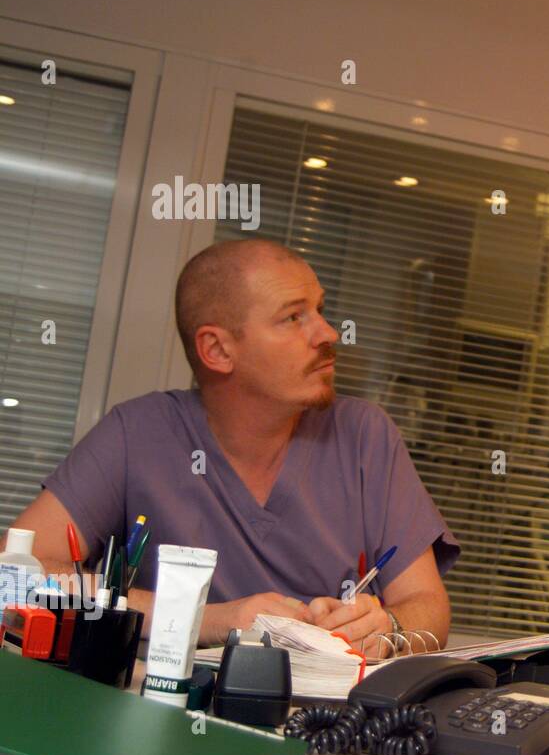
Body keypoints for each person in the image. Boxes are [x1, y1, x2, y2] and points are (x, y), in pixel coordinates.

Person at [9, 239, 458, 653]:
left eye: (320, 310)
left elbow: (427, 606)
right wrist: (208, 618)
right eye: (293, 317)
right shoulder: (138, 433)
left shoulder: (364, 436)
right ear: (218, 350)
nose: (327, 334)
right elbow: (14, 578)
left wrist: (389, 628)